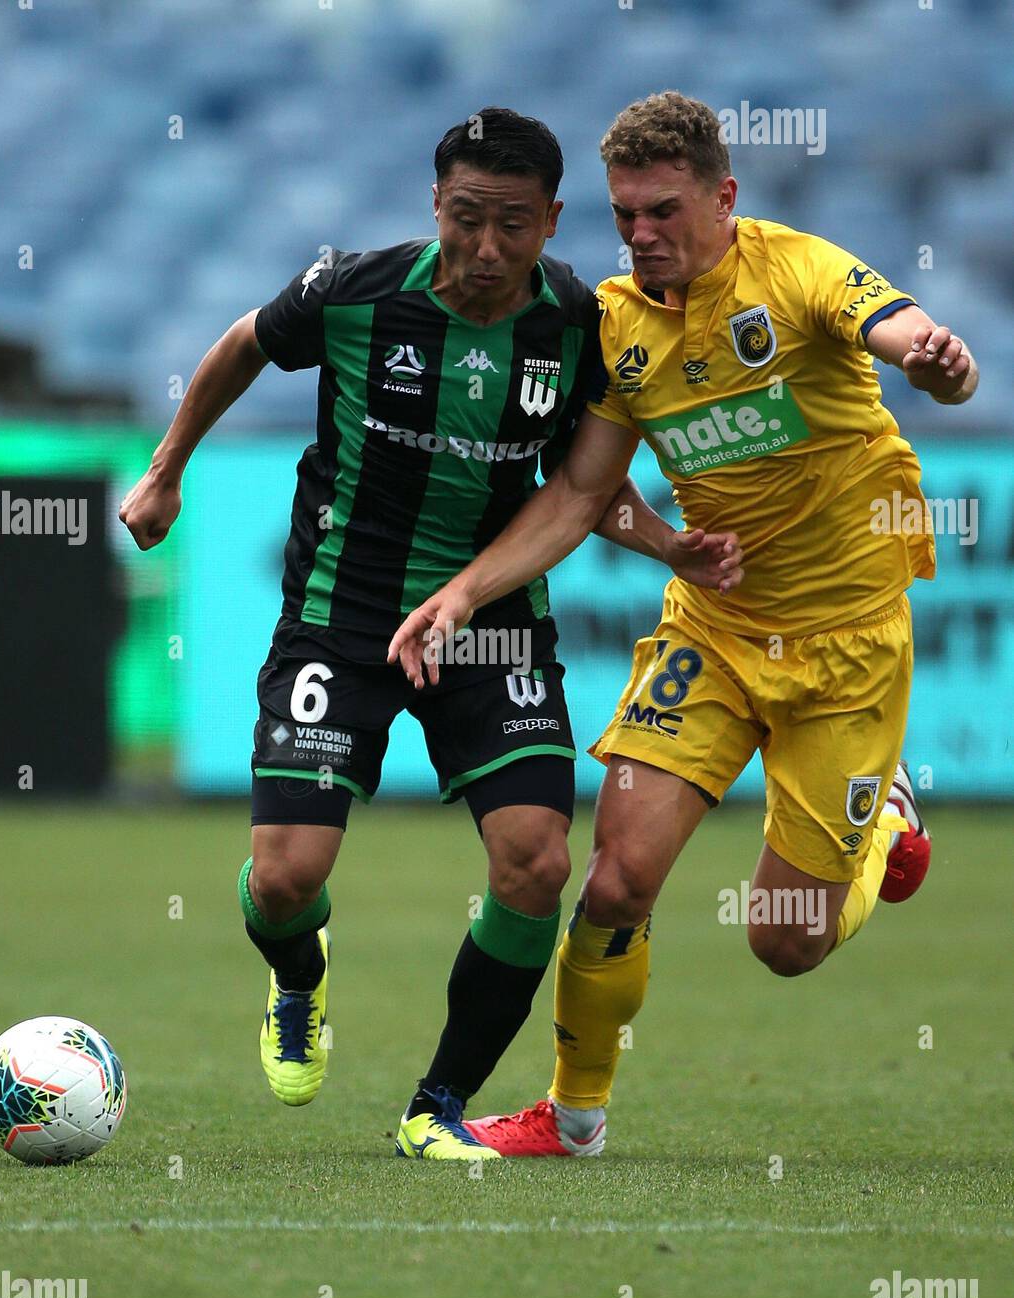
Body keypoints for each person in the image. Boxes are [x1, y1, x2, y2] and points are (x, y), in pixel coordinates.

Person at [119, 106, 742, 1160]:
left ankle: (437, 1106)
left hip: (490, 622)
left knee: (538, 862)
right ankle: (298, 978)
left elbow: (584, 486)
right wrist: (167, 467)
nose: (485, 249)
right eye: (464, 219)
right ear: (435, 207)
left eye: (511, 224)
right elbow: (240, 346)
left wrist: (669, 545)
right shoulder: (356, 292)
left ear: (550, 221)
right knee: (284, 877)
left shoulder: (579, 327)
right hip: (341, 615)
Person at [389, 91, 977, 1157]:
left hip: (846, 646)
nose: (643, 237)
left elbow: (896, 330)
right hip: (711, 632)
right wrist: (471, 589)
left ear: (724, 197)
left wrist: (934, 355)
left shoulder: (796, 271)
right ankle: (572, 1117)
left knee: (784, 943)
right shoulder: (619, 326)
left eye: (663, 212)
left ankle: (885, 823)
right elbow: (580, 495)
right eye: (623, 218)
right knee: (612, 878)